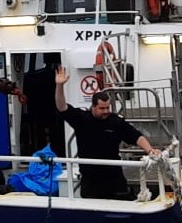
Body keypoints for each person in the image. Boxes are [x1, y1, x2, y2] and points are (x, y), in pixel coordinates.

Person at [52, 64, 162, 199]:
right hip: (91, 180)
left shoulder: (115, 121)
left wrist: (150, 150)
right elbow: (62, 107)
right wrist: (59, 86)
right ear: (93, 107)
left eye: (107, 107)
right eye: (102, 108)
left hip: (114, 177)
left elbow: (136, 136)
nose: (106, 111)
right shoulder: (81, 119)